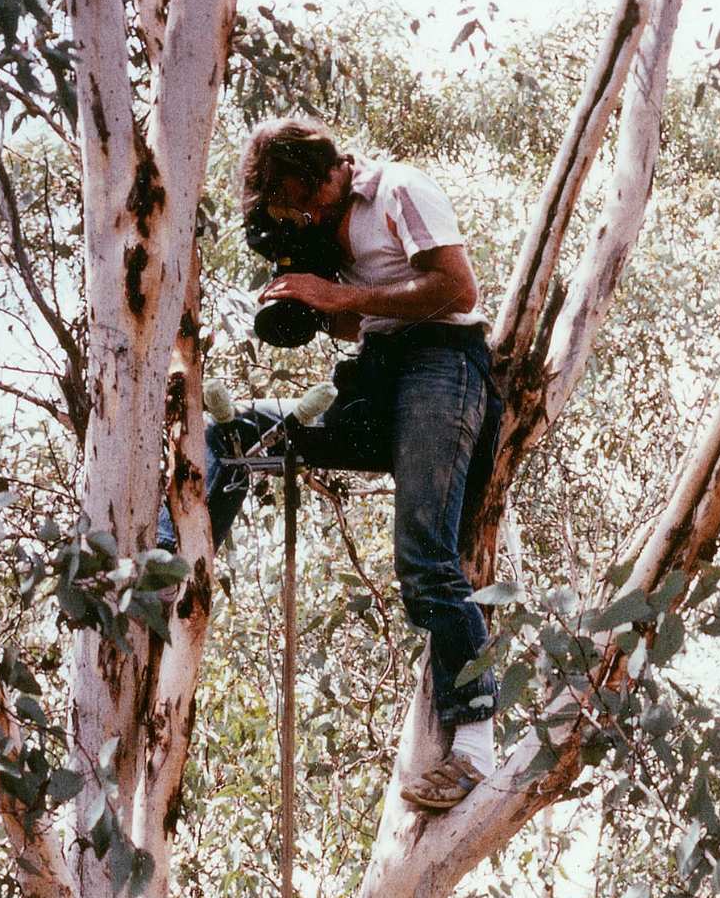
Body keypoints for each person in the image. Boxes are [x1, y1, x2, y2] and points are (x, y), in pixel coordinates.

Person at [185, 114, 503, 818]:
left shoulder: (398, 189)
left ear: (327, 168)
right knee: (237, 432)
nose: (306, 215)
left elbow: (457, 289)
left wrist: (345, 296)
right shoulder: (324, 227)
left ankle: (475, 745)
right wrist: (308, 305)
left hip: (442, 365)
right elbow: (357, 323)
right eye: (292, 211)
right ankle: (178, 555)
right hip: (377, 373)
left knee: (426, 559)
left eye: (305, 199)